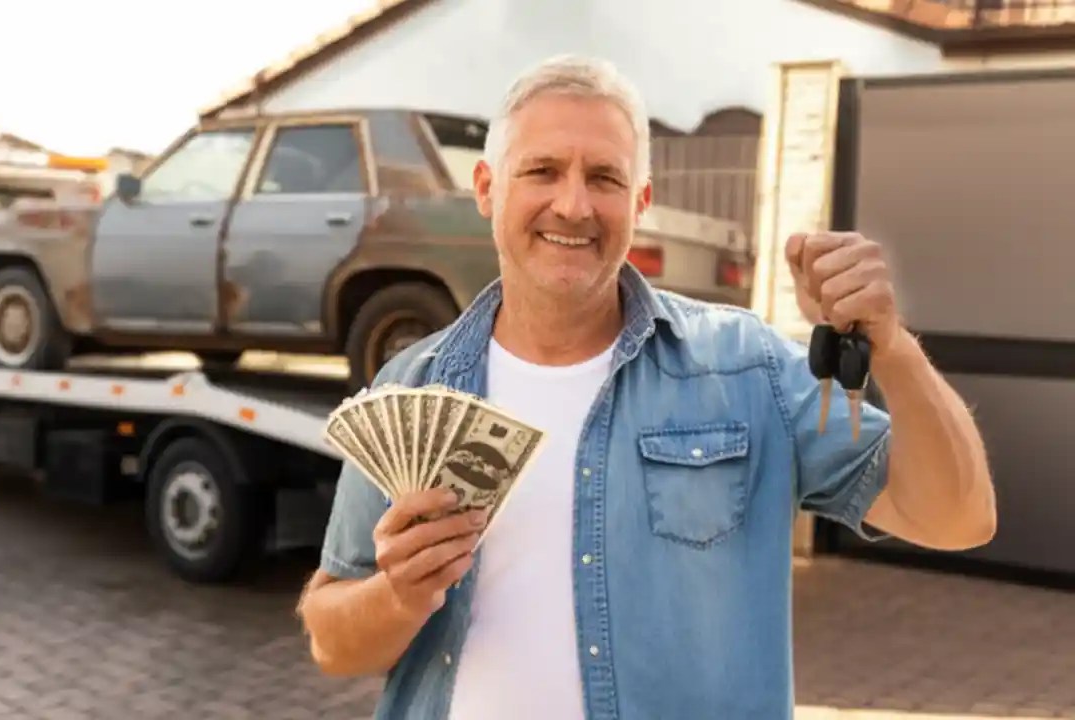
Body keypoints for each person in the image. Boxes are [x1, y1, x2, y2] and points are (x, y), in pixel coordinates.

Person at [295, 54, 997, 719]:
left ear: (641, 201)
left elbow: (956, 517)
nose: (572, 205)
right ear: (487, 189)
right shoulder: (412, 385)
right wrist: (398, 595)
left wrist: (892, 346)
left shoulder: (744, 370)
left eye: (604, 178)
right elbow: (334, 642)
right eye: (542, 170)